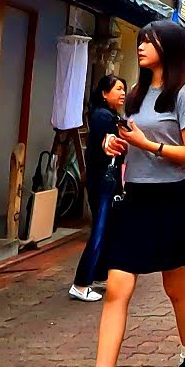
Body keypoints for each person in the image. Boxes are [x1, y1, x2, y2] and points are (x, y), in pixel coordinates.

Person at [96, 20, 185, 367]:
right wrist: (113, 143)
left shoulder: (184, 94)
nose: (141, 46)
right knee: (117, 288)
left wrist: (147, 144)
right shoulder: (133, 94)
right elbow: (129, 140)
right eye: (141, 41)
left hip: (174, 201)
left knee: (176, 289)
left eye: (150, 41)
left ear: (170, 49)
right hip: (135, 200)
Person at [69, 74, 127, 302]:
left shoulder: (110, 115)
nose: (122, 93)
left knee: (109, 227)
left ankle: (101, 273)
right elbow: (108, 141)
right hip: (102, 181)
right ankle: (81, 283)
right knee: (100, 229)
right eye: (118, 89)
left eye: (123, 89)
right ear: (104, 93)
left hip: (106, 180)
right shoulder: (102, 116)